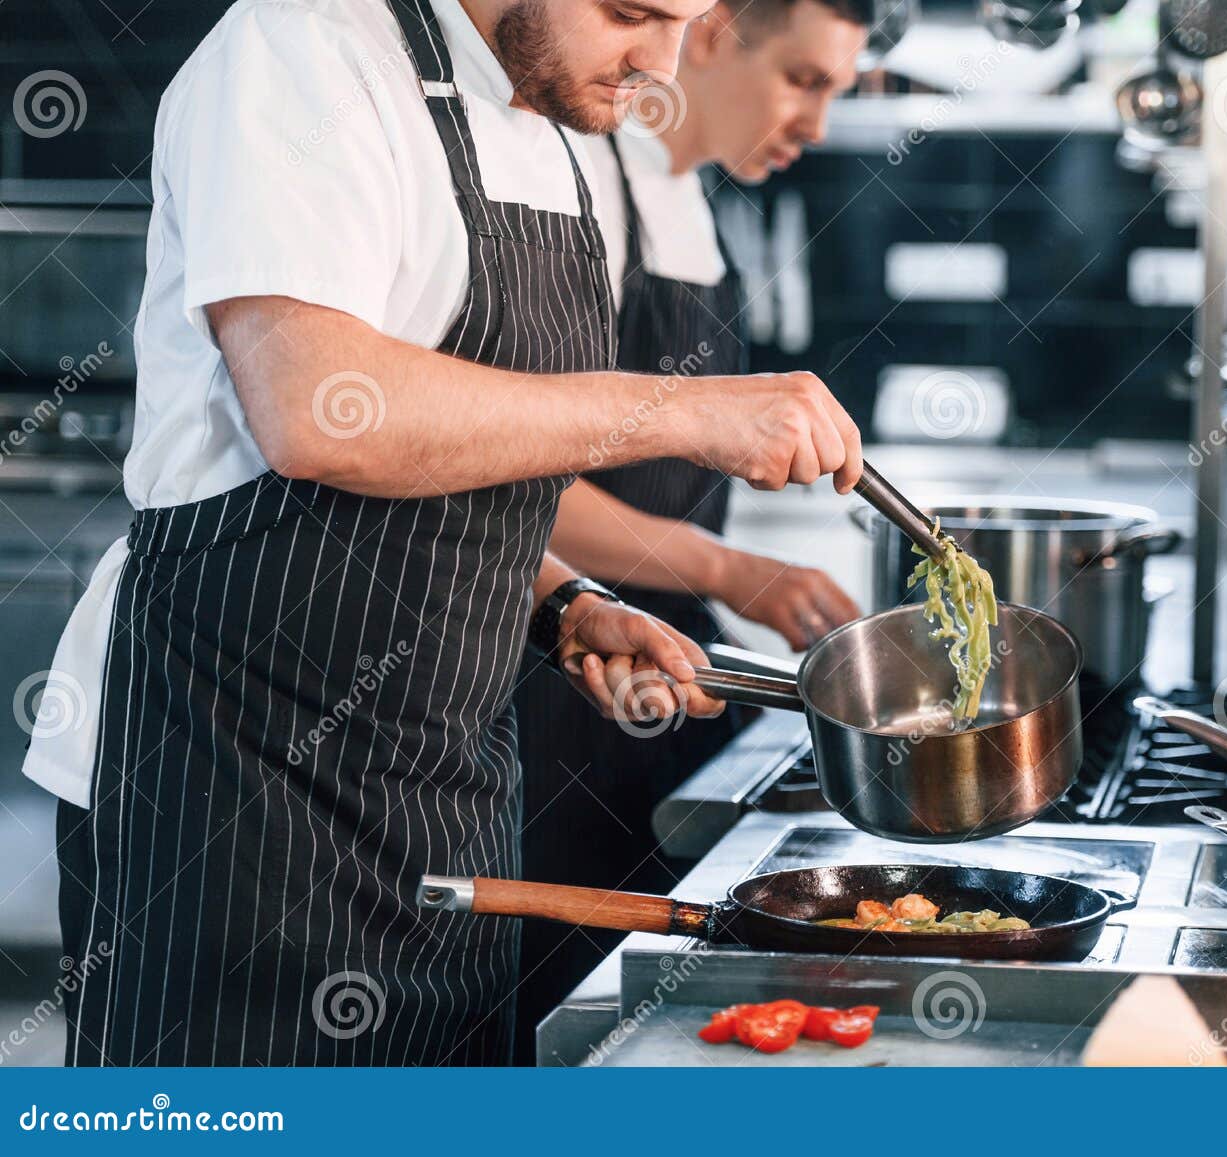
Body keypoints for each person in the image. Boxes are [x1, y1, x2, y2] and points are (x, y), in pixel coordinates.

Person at [25, 0, 861, 1067]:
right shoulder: (304, 51)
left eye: (682, 20)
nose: (659, 65)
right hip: (232, 788)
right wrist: (683, 409)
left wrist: (561, 601)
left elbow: (459, 451)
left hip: (443, 785)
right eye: (631, 16)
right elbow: (317, 406)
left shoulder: (549, 129)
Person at [511, 0, 870, 1046]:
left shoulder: (691, 204)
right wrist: (723, 566)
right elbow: (518, 472)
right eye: (802, 79)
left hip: (643, 670)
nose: (811, 121)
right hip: (549, 677)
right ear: (709, 35)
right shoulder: (574, 181)